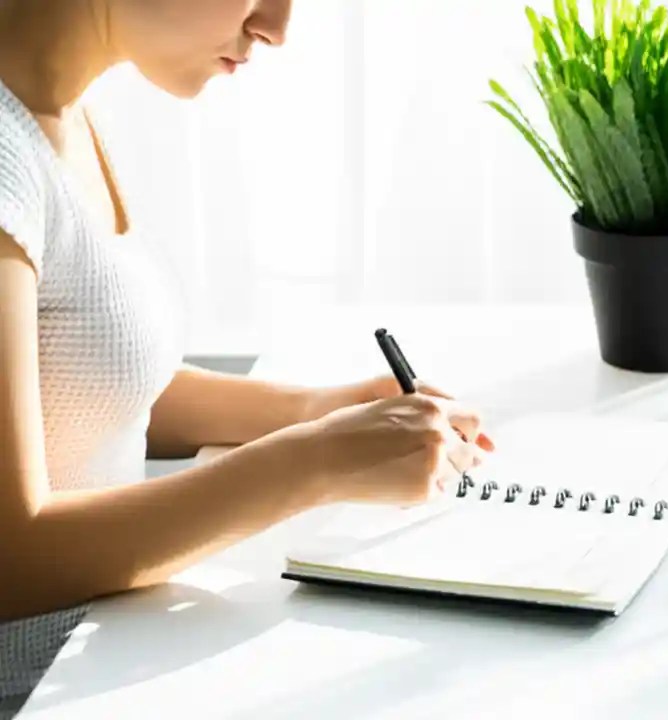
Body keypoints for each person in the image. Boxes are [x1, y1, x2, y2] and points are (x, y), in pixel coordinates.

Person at [0, 0, 494, 623]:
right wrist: (316, 462)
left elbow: (84, 388)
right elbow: (10, 561)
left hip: (104, 642)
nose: (276, 28)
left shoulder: (60, 109)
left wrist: (318, 410)